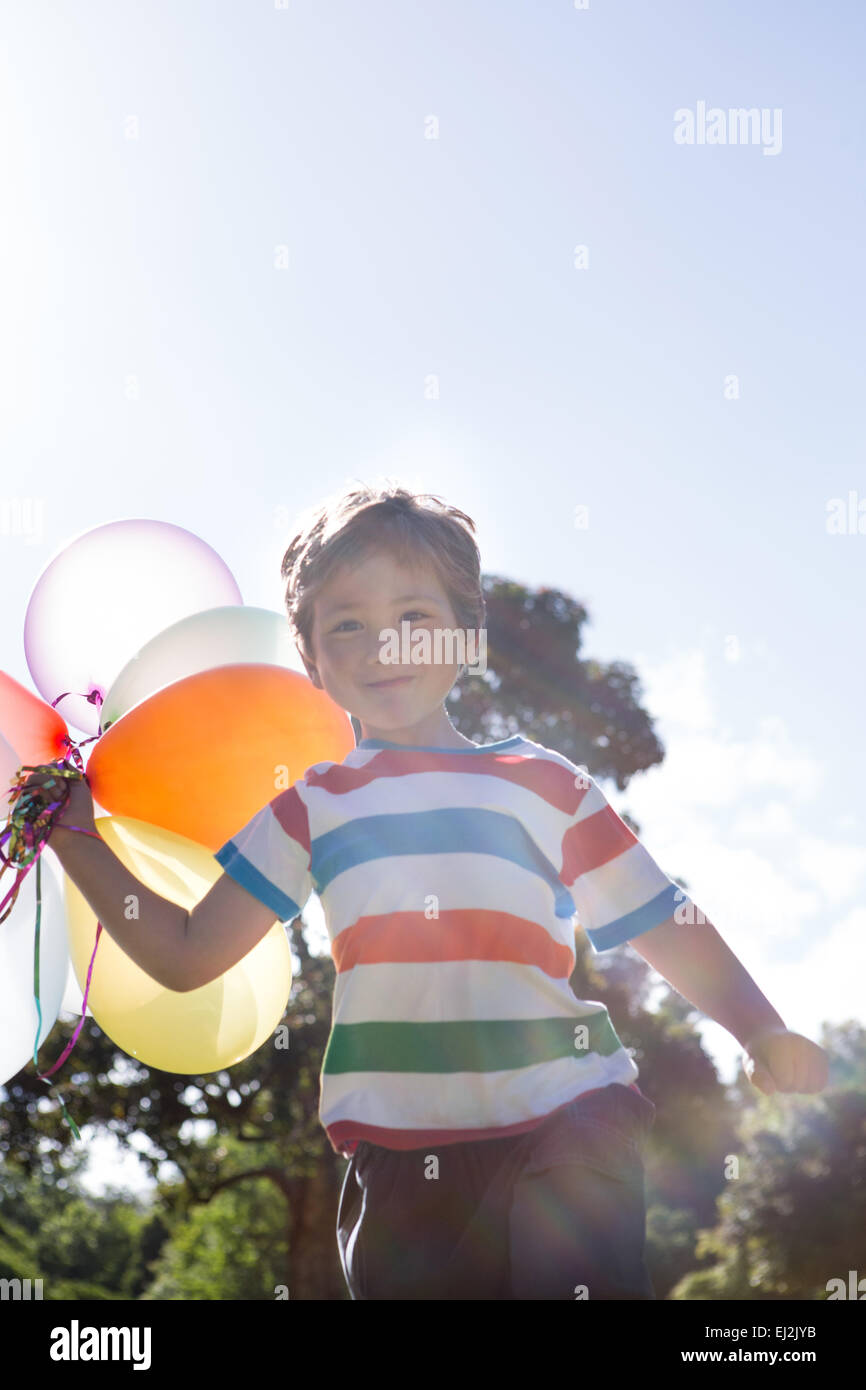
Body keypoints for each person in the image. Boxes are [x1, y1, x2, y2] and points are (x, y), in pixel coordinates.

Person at [40, 480, 829, 1300]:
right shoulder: (309, 808)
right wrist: (75, 834)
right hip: (400, 1157)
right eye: (347, 625)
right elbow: (185, 955)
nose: (386, 646)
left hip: (571, 1113)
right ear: (310, 658)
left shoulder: (546, 785)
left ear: (467, 636)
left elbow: (663, 919)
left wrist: (760, 1028)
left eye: (414, 617)